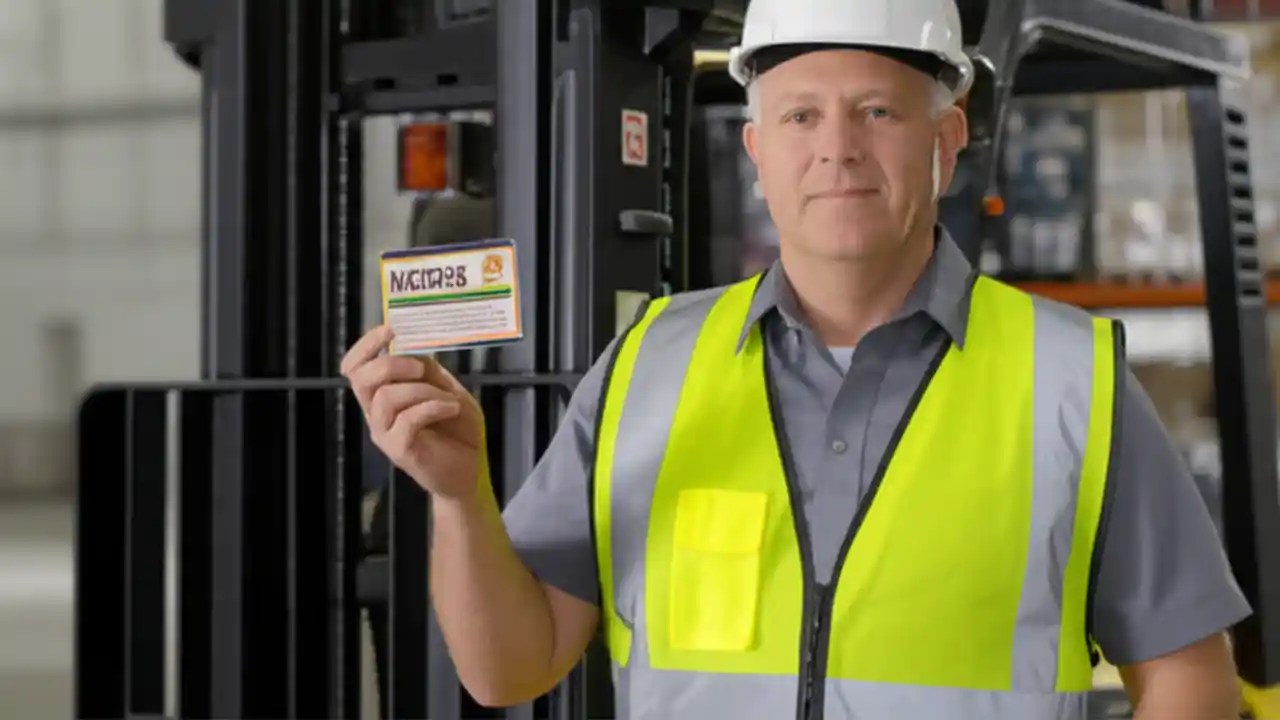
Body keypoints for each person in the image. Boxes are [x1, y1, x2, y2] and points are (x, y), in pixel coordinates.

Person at [338, 0, 1251, 717]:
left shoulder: (1070, 379)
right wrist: (459, 497)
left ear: (945, 140)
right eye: (801, 116)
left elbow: (1190, 680)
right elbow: (509, 668)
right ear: (758, 150)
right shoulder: (647, 367)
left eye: (876, 112)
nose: (836, 150)